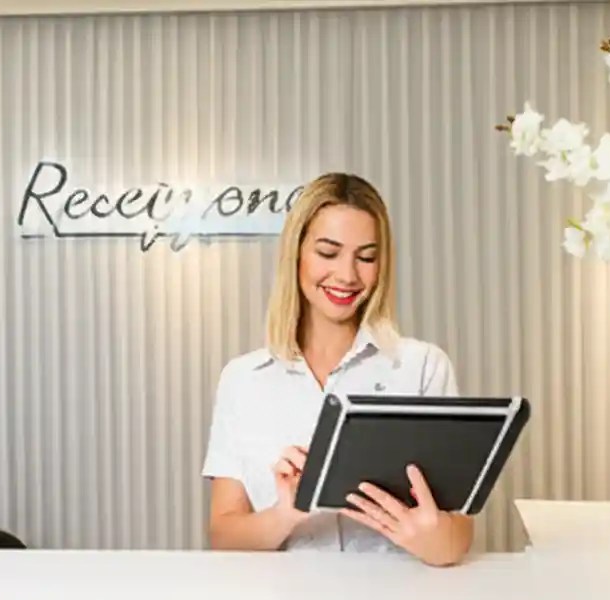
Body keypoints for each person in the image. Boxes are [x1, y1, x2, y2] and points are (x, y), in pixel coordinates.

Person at [202, 172, 474, 566]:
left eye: (366, 257)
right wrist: (287, 513)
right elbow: (224, 535)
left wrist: (431, 539)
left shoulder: (422, 367)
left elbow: (456, 535)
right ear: (296, 254)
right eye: (328, 253)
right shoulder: (243, 379)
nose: (347, 275)